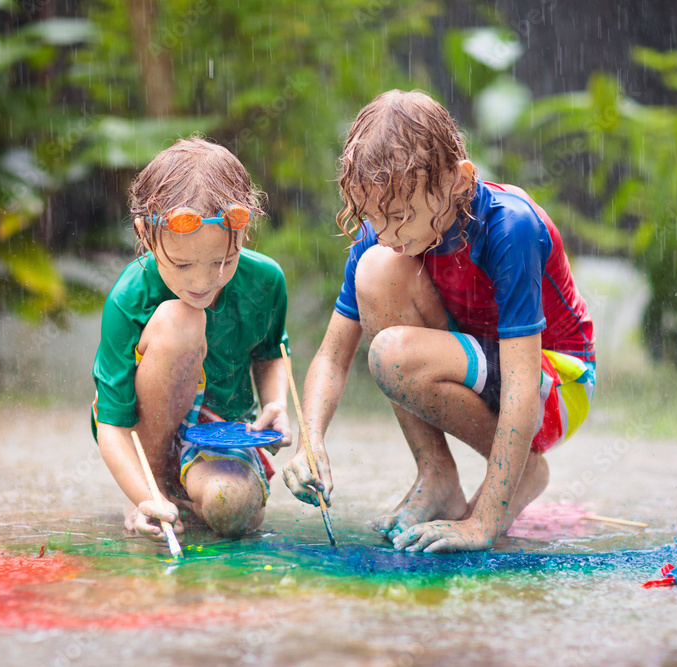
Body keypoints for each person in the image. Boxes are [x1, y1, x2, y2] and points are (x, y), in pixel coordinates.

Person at [282, 90, 596, 553]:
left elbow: (523, 382)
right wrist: (310, 441)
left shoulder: (511, 227)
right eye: (373, 216)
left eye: (401, 217)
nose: (386, 233)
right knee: (375, 269)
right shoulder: (385, 234)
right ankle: (437, 476)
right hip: (480, 358)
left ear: (458, 180)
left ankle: (519, 473)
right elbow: (331, 356)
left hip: (557, 382)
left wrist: (484, 520)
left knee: (393, 355)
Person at [91, 137, 291, 542]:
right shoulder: (129, 297)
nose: (203, 282)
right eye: (182, 264)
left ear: (244, 231)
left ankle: (193, 488)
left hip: (219, 432)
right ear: (145, 234)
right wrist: (142, 494)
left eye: (223, 262)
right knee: (181, 319)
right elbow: (110, 423)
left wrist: (275, 403)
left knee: (231, 510)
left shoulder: (266, 281)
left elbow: (271, 355)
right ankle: (156, 485)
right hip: (146, 435)